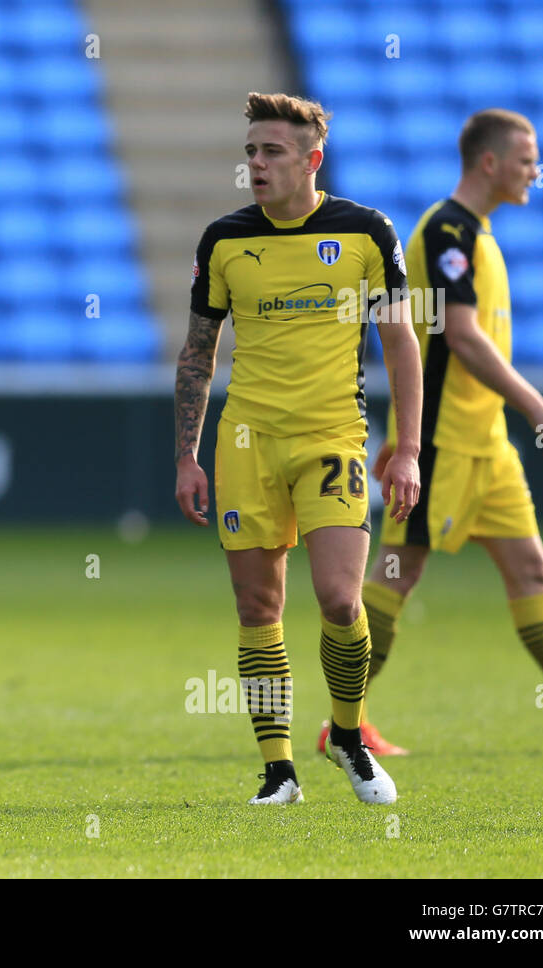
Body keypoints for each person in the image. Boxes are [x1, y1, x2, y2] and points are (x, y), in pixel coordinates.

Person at [175, 92, 422, 805]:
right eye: (250, 150)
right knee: (258, 608)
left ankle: (346, 735)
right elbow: (197, 355)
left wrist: (405, 449)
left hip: (332, 437)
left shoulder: (366, 231)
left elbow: (401, 340)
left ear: (311, 161)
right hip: (246, 444)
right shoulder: (223, 239)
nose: (255, 163)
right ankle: (278, 770)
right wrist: (186, 457)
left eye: (271, 151)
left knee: (342, 601)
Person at [342, 108, 543, 756]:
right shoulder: (447, 229)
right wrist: (538, 407)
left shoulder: (478, 236)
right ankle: (344, 724)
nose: (535, 170)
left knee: (532, 570)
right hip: (442, 442)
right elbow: (460, 337)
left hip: (488, 447)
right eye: (525, 158)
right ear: (489, 162)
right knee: (397, 574)